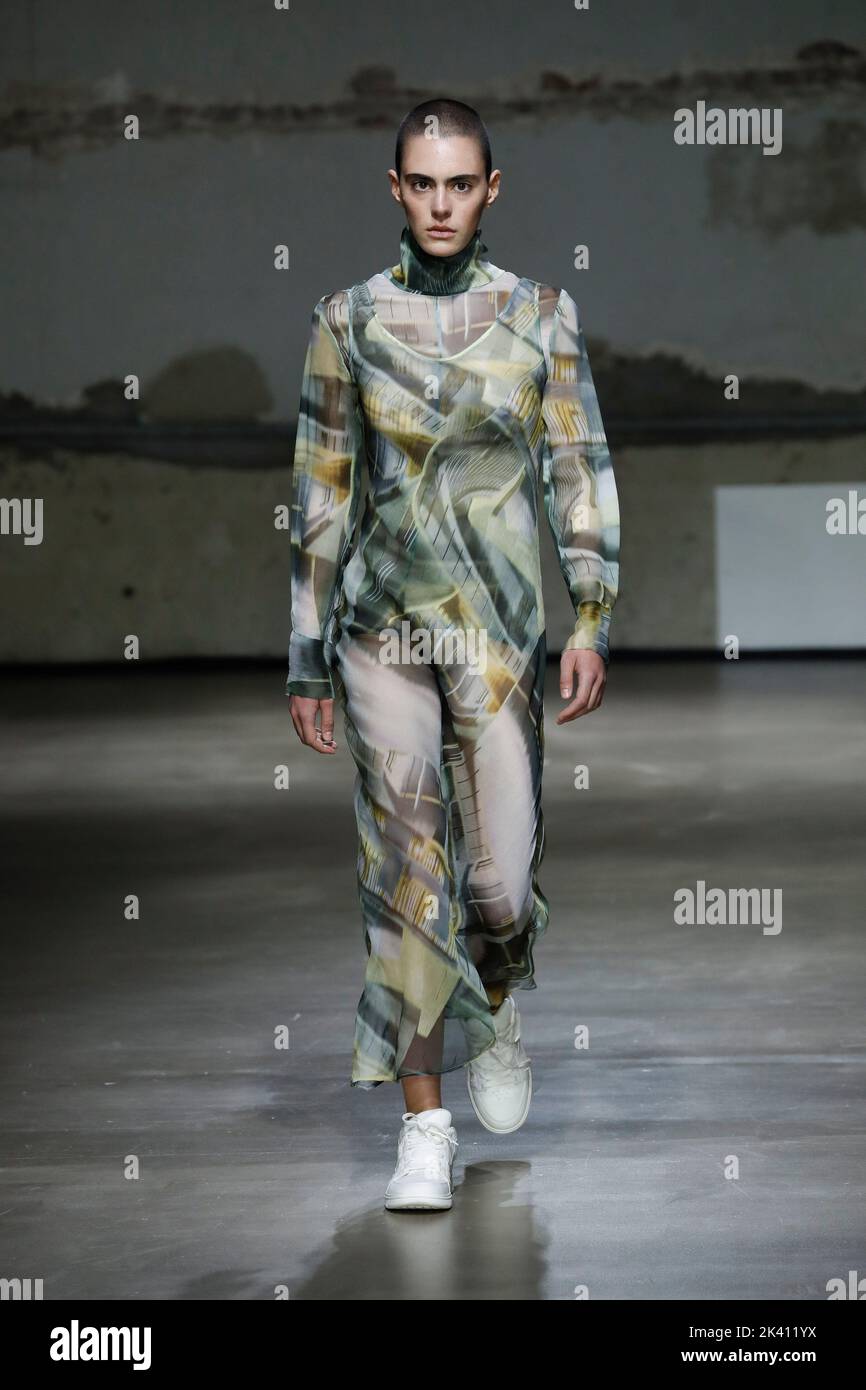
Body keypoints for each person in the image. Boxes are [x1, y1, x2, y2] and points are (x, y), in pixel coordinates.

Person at [286, 97, 620, 1212]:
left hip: (495, 638)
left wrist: (590, 610)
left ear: (490, 188)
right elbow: (321, 487)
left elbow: (579, 465)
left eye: (458, 182)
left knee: (500, 883)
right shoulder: (346, 318)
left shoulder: (538, 316)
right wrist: (304, 650)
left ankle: (496, 989)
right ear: (395, 188)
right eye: (420, 183)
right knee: (409, 877)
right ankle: (422, 1124)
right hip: (383, 634)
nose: (438, 202)